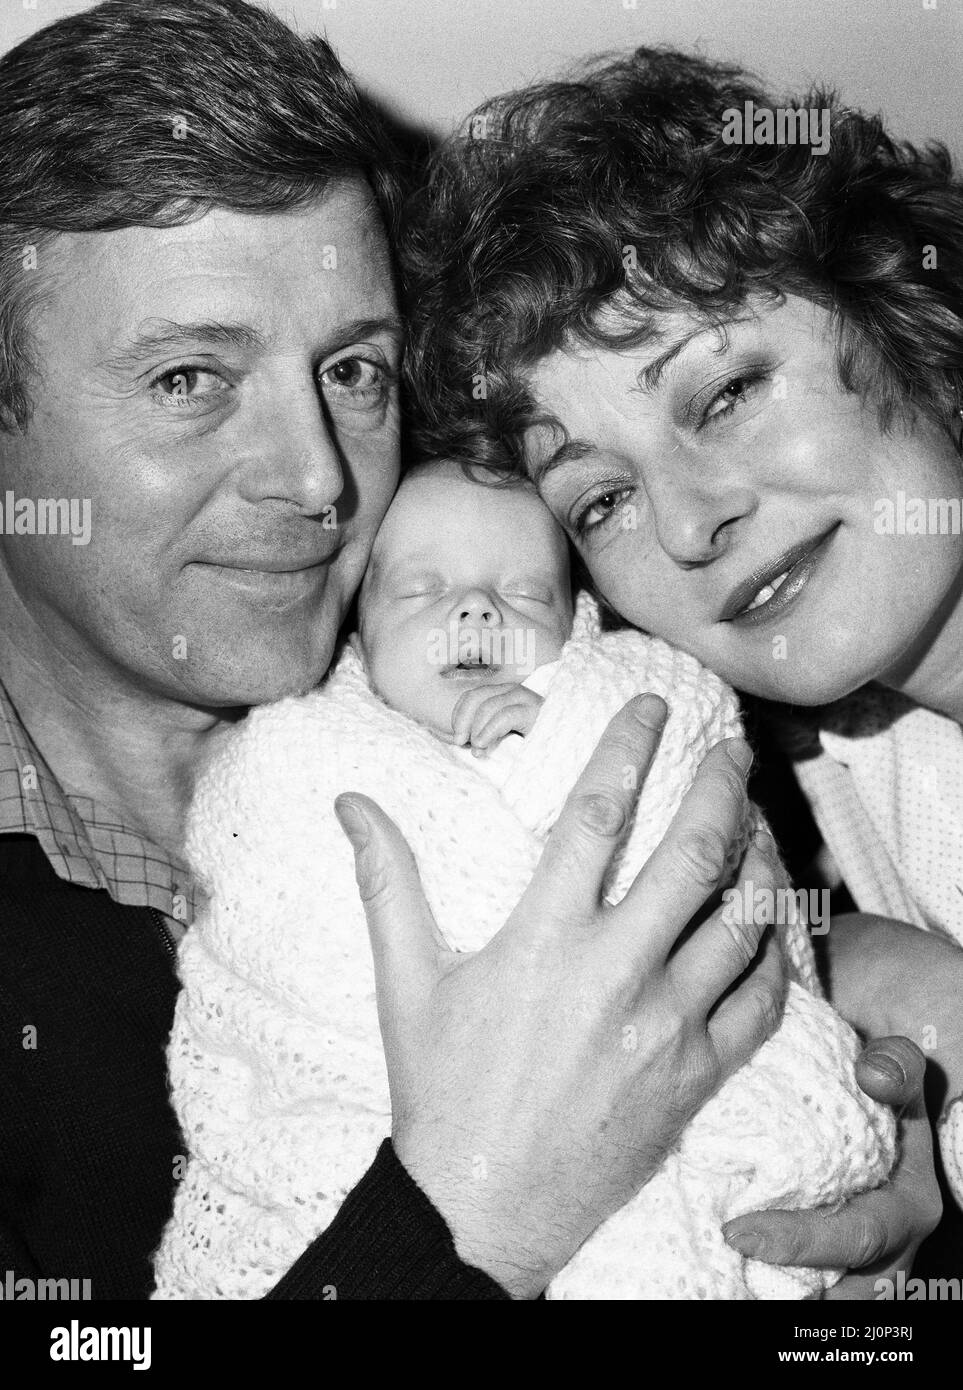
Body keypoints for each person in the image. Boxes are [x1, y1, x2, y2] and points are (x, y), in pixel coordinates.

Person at [0, 0, 936, 1301]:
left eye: (352, 373)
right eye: (187, 380)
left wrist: (845, 1000)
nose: (315, 477)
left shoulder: (565, 672)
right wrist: (463, 1214)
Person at [402, 45, 963, 1262]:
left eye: (724, 394)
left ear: (907, 316)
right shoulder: (841, 767)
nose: (689, 523)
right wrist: (887, 973)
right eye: (599, 501)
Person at [152, 459, 898, 1301]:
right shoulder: (300, 758)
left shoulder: (632, 703)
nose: (475, 612)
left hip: (681, 1099)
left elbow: (716, 870)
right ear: (357, 638)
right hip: (374, 1150)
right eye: (420, 591)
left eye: (524, 595)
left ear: (579, 623)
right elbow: (273, 935)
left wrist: (555, 747)